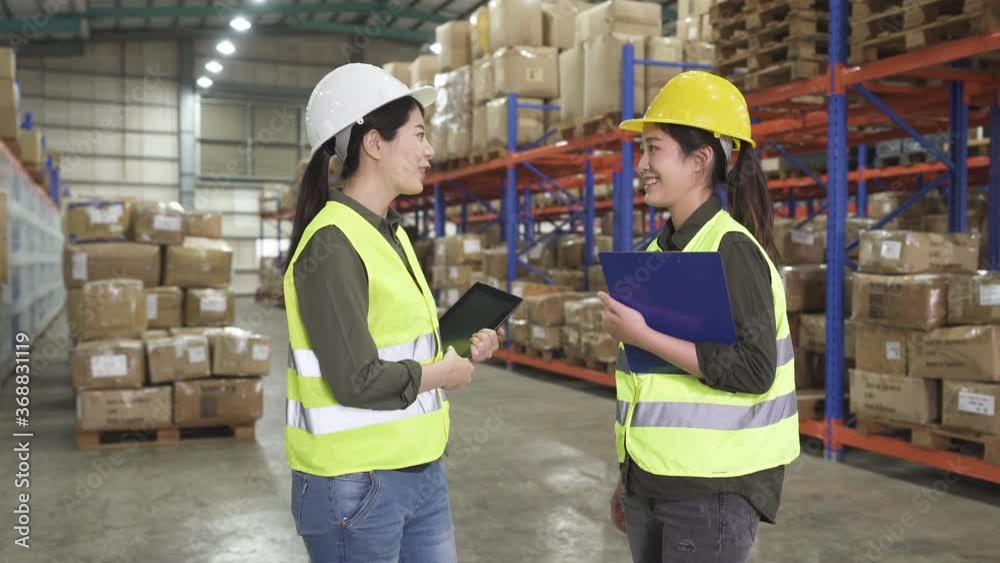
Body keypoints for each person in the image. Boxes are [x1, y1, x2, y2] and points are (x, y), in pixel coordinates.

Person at [282, 63, 502, 563]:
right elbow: (354, 379)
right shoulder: (333, 243)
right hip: (356, 484)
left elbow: (401, 339)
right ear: (375, 144)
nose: (429, 151)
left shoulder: (391, 231)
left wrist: (461, 346)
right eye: (419, 135)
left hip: (419, 469)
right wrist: (439, 373)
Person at [599, 71, 800, 563]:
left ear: (699, 161)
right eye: (642, 151)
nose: (641, 165)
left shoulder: (734, 250)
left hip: (713, 489)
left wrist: (642, 336)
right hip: (653, 480)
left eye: (653, 150)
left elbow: (754, 371)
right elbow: (653, 387)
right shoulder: (656, 250)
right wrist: (629, 477)